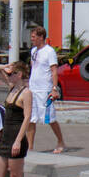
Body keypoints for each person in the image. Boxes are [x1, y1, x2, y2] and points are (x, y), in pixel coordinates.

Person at [26, 26, 66, 154]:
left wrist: (54, 89)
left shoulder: (49, 51)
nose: (32, 39)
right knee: (31, 119)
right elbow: (34, 69)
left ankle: (60, 141)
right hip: (33, 89)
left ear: (41, 37)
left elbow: (54, 71)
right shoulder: (33, 51)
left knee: (50, 118)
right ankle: (30, 147)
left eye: (34, 37)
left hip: (45, 89)